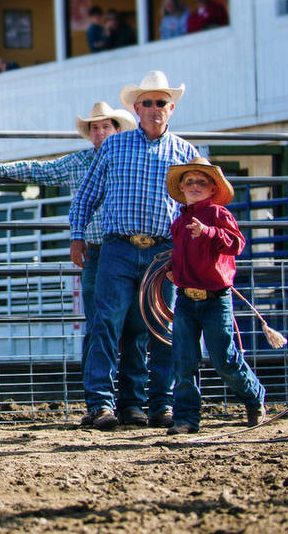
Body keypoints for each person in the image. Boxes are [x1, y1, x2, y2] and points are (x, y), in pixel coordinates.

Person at [0, 101, 137, 425]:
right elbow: (38, 169)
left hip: (125, 248)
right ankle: (101, 402)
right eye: (95, 127)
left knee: (129, 325)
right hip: (96, 250)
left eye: (106, 126)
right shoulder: (79, 163)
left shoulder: (127, 157)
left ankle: (128, 401)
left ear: (117, 129)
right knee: (101, 324)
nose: (100, 132)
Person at [69, 70, 200, 432]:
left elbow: (195, 207)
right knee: (107, 324)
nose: (155, 108)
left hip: (163, 252)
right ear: (137, 108)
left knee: (159, 328)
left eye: (161, 103)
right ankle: (102, 404)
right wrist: (78, 236)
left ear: (170, 109)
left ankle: (157, 404)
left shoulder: (185, 152)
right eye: (148, 103)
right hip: (118, 247)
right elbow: (86, 197)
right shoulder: (113, 147)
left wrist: (190, 249)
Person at [165, 158, 265, 435]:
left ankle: (253, 395)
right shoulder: (179, 222)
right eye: (190, 182)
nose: (195, 186)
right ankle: (185, 419)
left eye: (201, 182)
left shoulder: (219, 215)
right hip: (185, 299)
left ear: (212, 189)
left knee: (224, 357)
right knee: (184, 360)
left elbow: (237, 244)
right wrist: (173, 269)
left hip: (215, 299)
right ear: (182, 189)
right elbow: (180, 254)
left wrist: (208, 232)